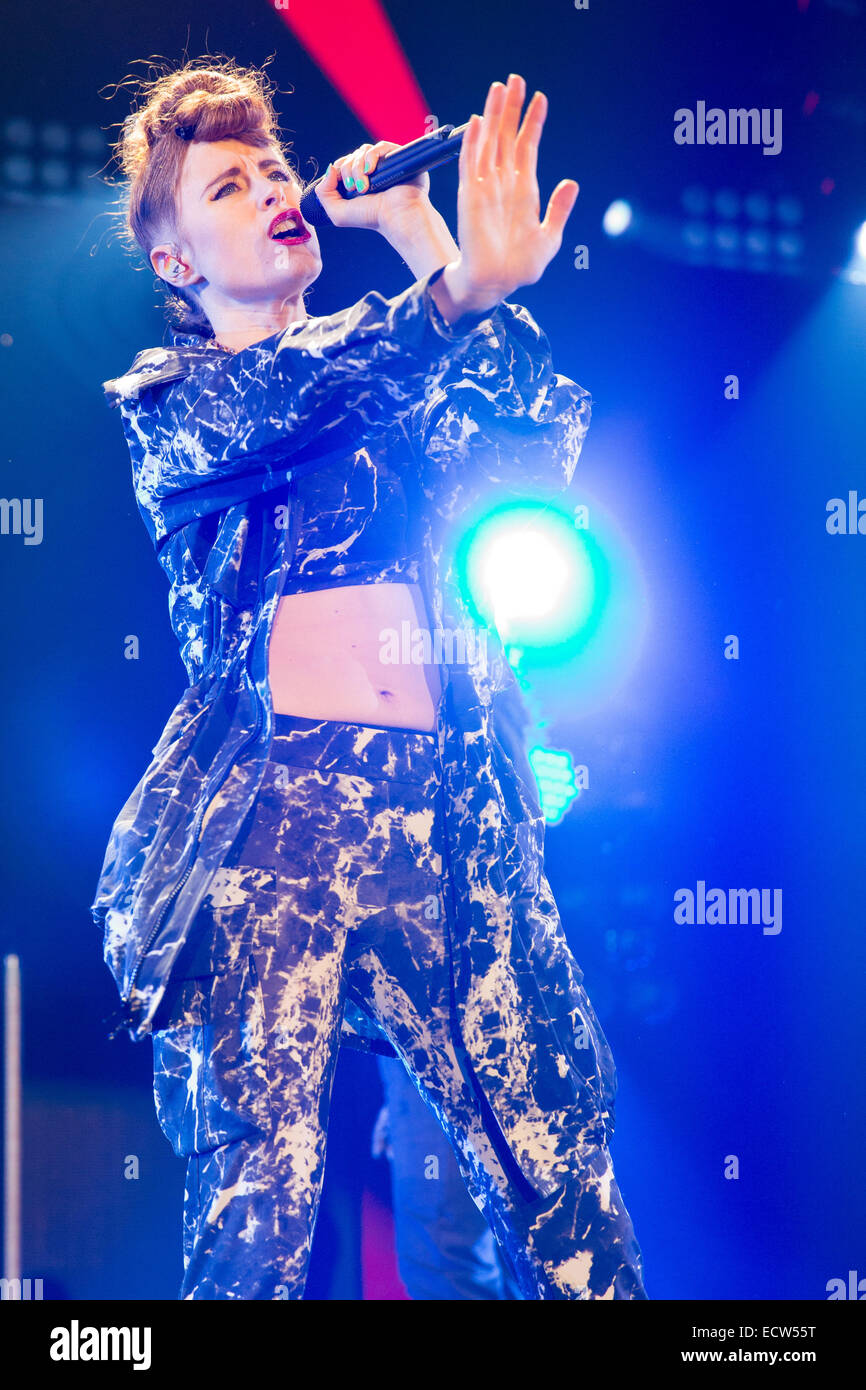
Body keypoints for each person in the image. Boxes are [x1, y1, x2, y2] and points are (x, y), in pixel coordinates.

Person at [92, 54, 647, 1300]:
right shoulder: (172, 406)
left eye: (278, 169)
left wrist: (424, 238)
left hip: (453, 812)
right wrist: (443, 297)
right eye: (230, 187)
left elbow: (536, 437)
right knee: (257, 1223)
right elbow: (292, 397)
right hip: (274, 828)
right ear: (176, 261)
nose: (275, 191)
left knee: (566, 1187)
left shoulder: (400, 364)